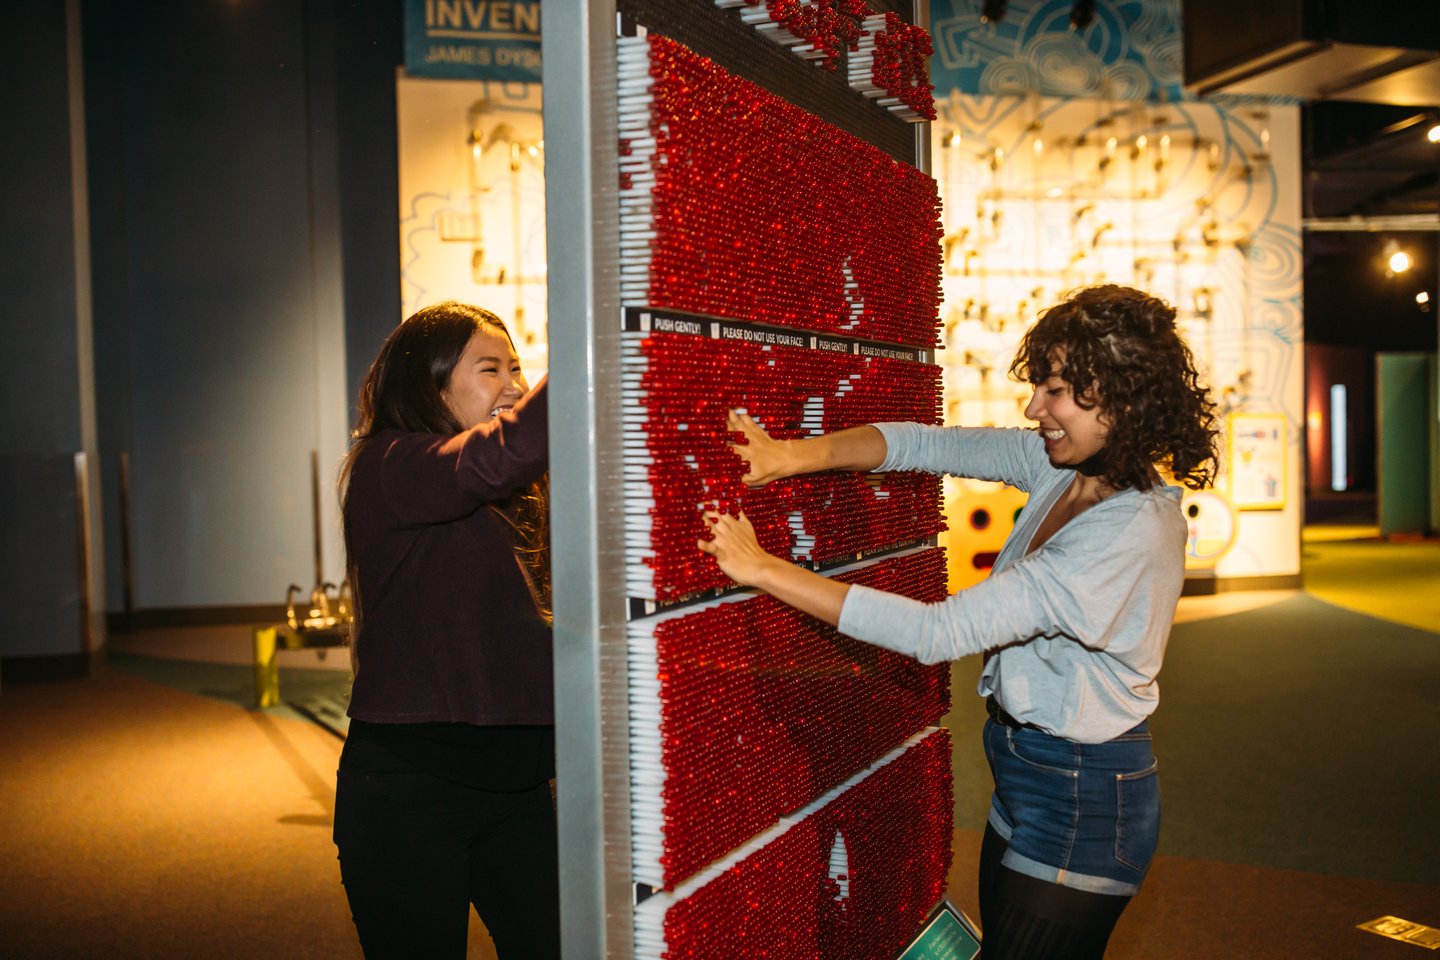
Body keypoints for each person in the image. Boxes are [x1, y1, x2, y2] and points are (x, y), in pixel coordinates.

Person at [698, 285, 1219, 959]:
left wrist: (765, 569)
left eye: (1055, 390)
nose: (1035, 408)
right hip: (1026, 770)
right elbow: (924, 445)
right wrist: (789, 456)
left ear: (1119, 398)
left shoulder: (1129, 532)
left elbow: (933, 635)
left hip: (1083, 799)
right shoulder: (1068, 472)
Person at [334, 301, 558, 959]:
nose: (513, 385)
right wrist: (594, 350)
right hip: (412, 790)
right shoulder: (389, 465)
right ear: (431, 385)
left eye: (518, 368)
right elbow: (496, 456)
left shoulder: (511, 493)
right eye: (491, 369)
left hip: (515, 784)